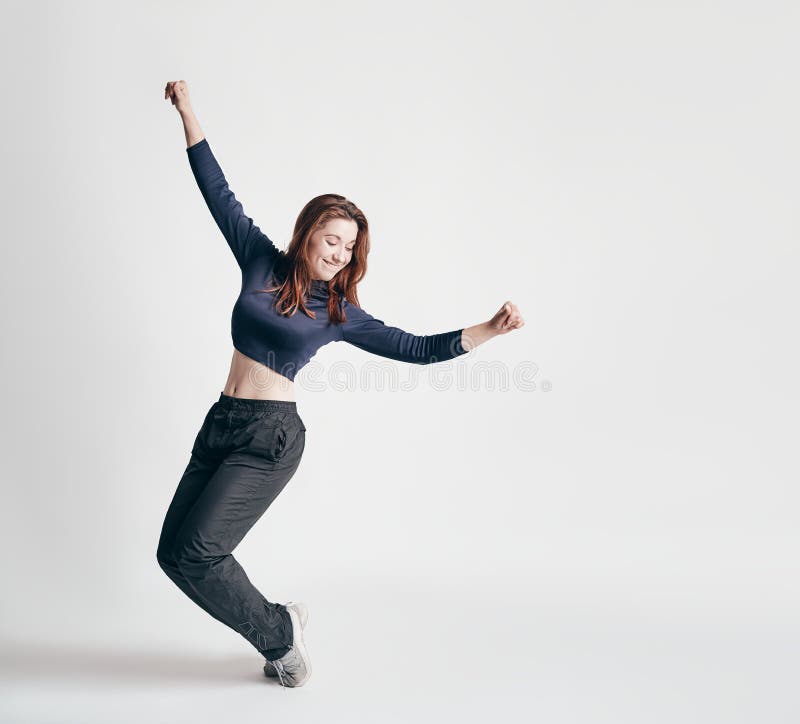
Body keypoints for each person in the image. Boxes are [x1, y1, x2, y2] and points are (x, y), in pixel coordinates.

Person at [156, 80, 526, 688]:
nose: (339, 252)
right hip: (221, 421)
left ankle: (278, 635)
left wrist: (487, 329)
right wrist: (190, 113)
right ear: (307, 235)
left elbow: (414, 348)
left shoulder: (338, 312)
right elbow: (217, 193)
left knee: (200, 551)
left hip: (269, 440)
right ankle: (279, 626)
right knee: (175, 554)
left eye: (349, 246)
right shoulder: (259, 259)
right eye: (332, 239)